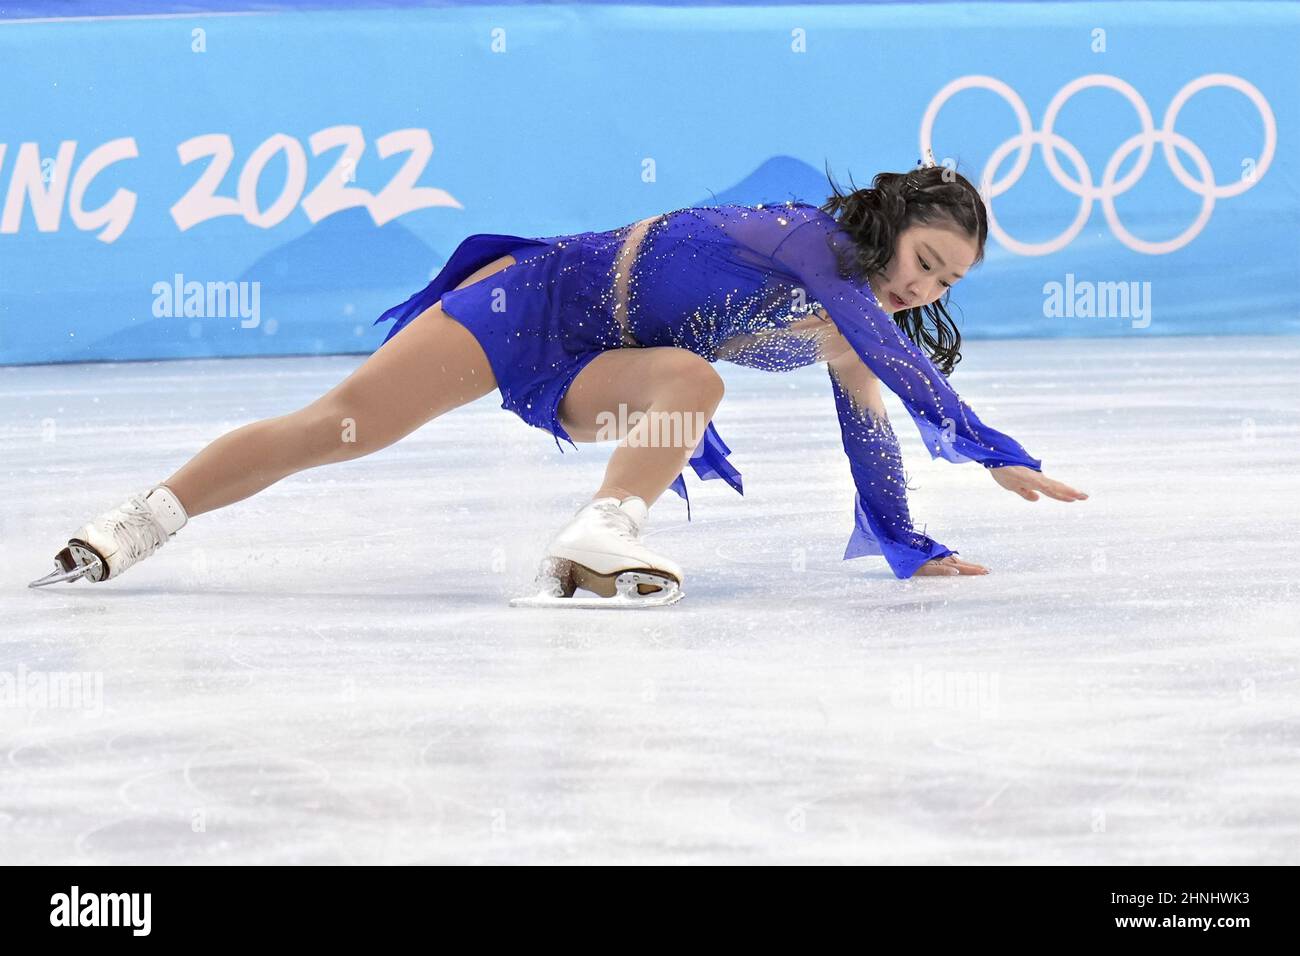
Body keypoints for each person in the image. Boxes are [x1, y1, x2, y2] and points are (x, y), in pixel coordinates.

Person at [29, 155, 1087, 607]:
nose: (923, 289)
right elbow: (900, 368)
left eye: (946, 282)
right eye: (924, 262)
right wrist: (999, 452)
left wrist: (911, 541)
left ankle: (603, 534)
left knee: (687, 380)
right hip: (532, 299)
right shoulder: (813, 245)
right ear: (884, 227)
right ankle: (132, 524)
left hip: (607, 366)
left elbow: (872, 422)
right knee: (342, 424)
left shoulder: (848, 324)